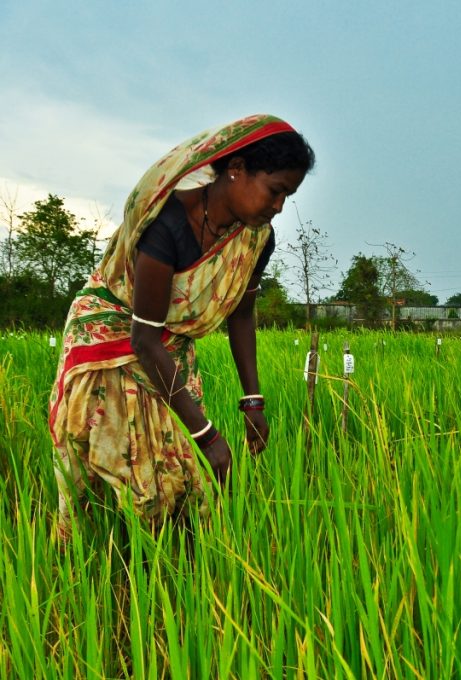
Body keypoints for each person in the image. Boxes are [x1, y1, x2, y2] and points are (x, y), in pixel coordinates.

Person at [48, 114, 314, 534]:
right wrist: (208, 436)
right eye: (275, 191)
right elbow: (144, 338)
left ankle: (176, 576)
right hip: (115, 342)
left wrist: (253, 400)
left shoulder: (255, 237)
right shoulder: (168, 223)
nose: (278, 206)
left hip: (168, 351)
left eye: (288, 197)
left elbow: (241, 312)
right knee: (126, 470)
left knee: (182, 484)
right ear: (236, 169)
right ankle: (99, 568)